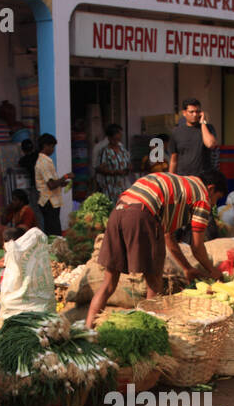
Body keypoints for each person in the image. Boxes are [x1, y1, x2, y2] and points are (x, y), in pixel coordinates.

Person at [84, 169, 226, 329]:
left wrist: (187, 268)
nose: (213, 204)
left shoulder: (181, 186)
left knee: (108, 283)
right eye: (217, 198)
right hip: (142, 215)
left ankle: (88, 330)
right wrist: (212, 270)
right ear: (211, 188)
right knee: (154, 283)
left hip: (118, 212)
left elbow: (168, 238)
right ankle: (146, 330)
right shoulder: (202, 196)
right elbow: (197, 246)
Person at [33, 132, 71, 237]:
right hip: (49, 201)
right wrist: (66, 177)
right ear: (45, 146)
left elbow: (52, 183)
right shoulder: (43, 162)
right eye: (52, 146)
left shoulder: (46, 161)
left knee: (52, 230)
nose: (53, 149)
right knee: (54, 233)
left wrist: (62, 183)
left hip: (51, 201)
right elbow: (51, 185)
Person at [168, 97, 216, 178]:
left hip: (203, 178)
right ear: (184, 113)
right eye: (191, 112)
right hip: (183, 178)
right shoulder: (176, 132)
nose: (195, 114)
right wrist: (170, 179)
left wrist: (203, 123)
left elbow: (210, 144)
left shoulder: (208, 128)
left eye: (197, 112)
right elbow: (174, 160)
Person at [95, 124, 131, 201]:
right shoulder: (105, 151)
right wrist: (114, 172)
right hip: (111, 188)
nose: (117, 141)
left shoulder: (122, 149)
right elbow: (99, 169)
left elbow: (128, 162)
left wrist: (129, 168)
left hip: (123, 185)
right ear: (109, 138)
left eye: (119, 138)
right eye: (115, 139)